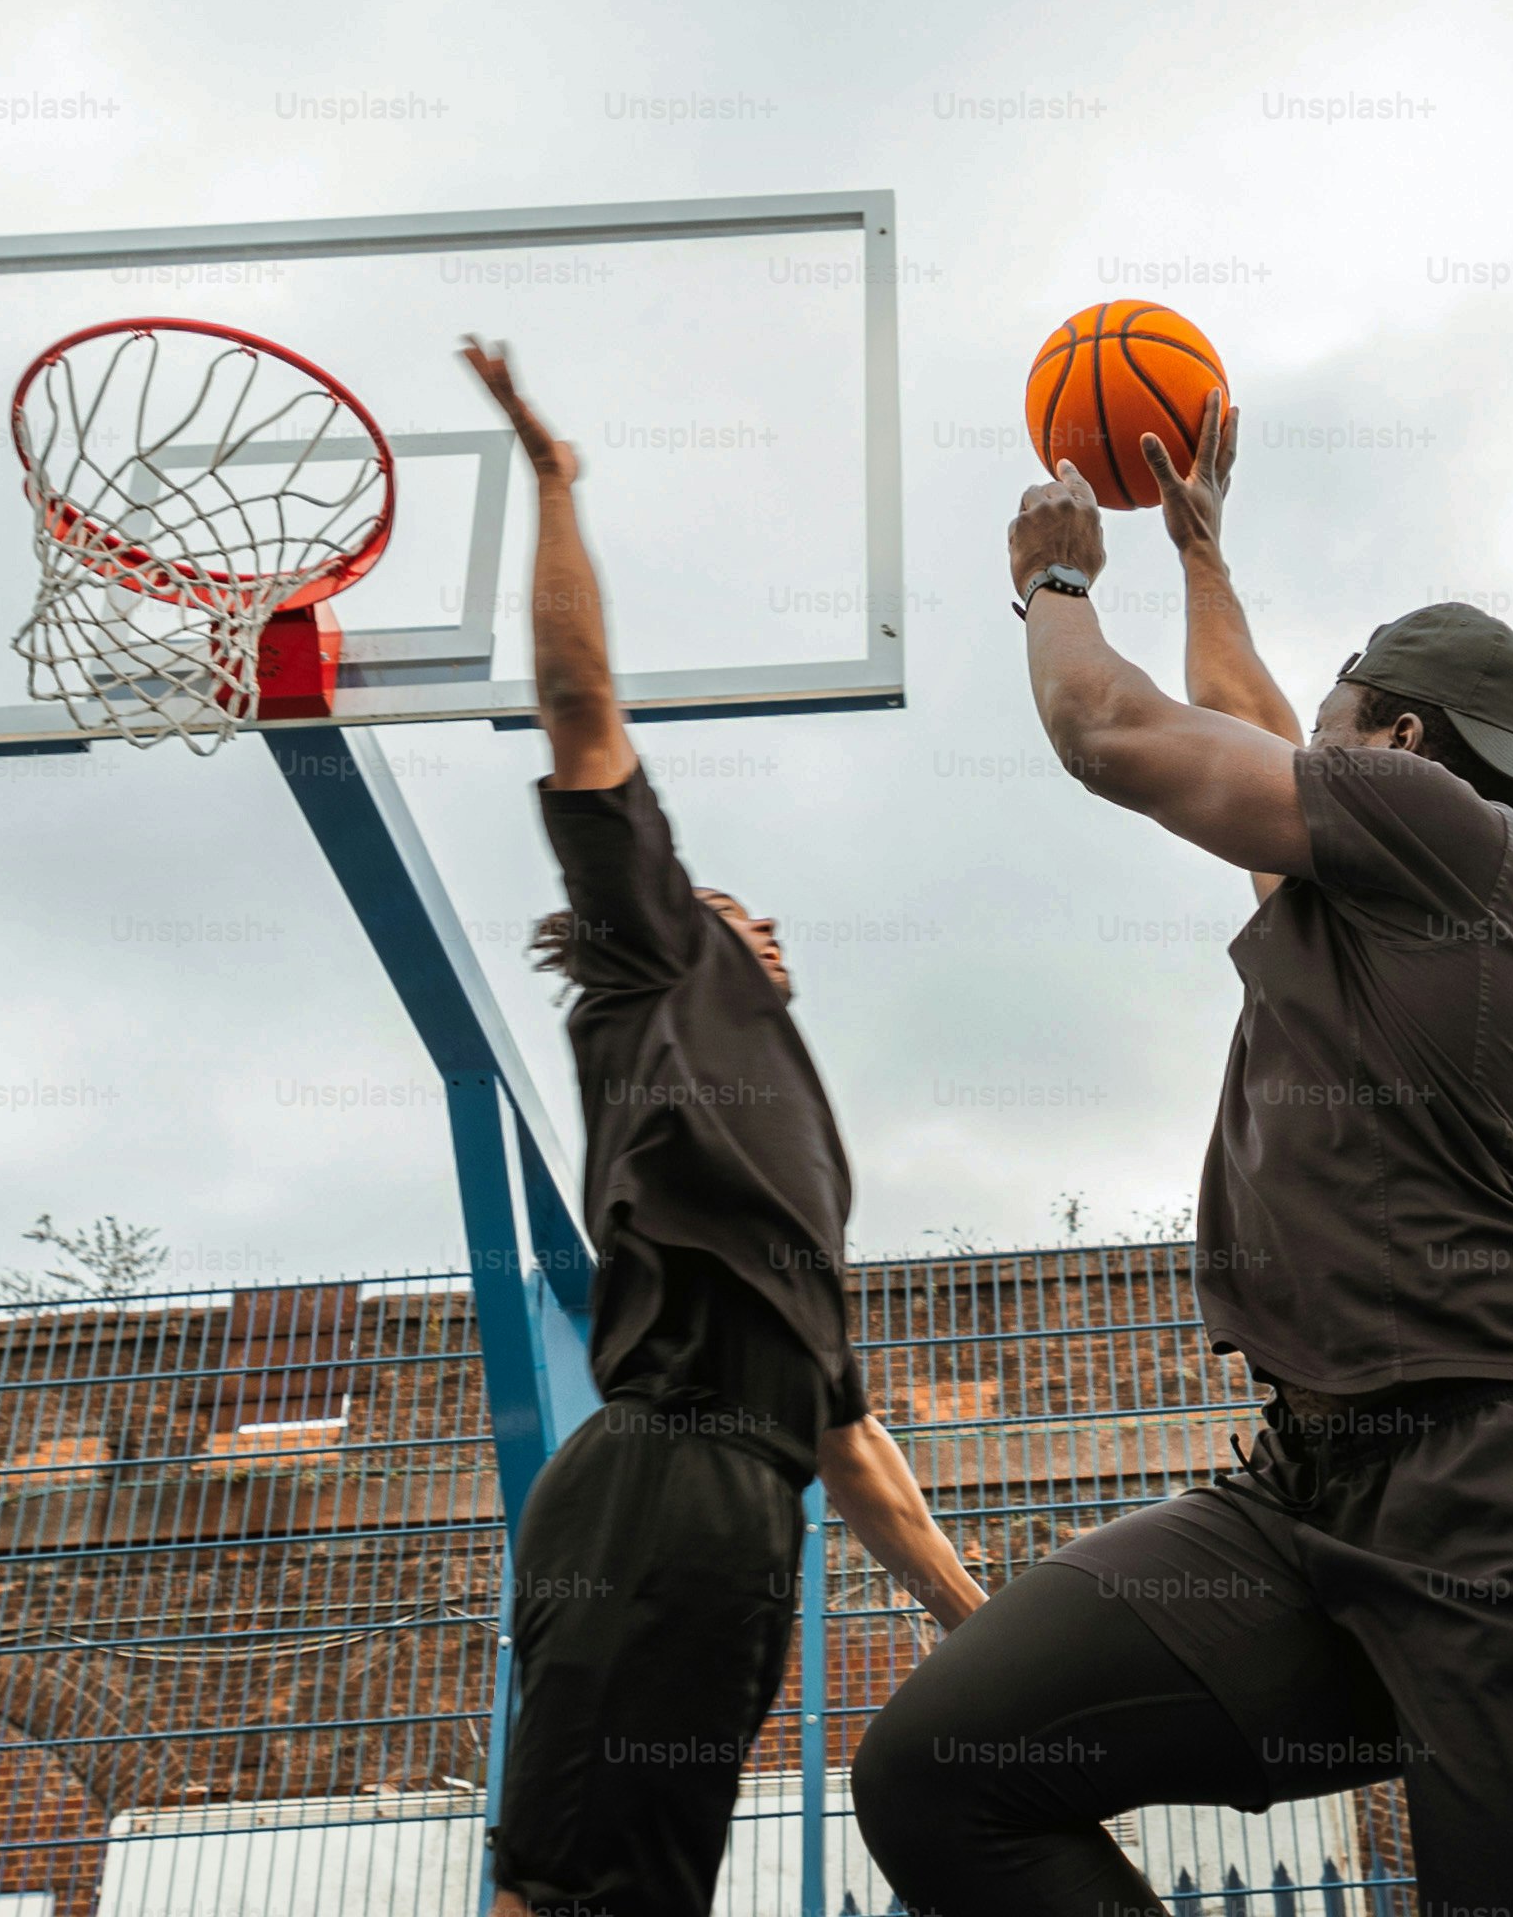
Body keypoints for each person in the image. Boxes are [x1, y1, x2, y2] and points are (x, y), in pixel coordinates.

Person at [852, 399, 1513, 1917]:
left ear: (1403, 742)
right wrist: (1202, 553)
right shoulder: (1388, 880)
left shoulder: (1447, 834)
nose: (1295, 740)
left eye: (1334, 713)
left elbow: (1109, 731)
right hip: (1311, 1502)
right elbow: (1249, 715)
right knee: (944, 1767)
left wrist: (1054, 583)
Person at [460, 339, 987, 1917]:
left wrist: (977, 1613)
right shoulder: (650, 960)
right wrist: (556, 489)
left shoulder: (797, 1147)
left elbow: (848, 1439)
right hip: (660, 1482)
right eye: (738, 905)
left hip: (748, 1509)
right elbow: (578, 702)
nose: (769, 928)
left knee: (647, 1882)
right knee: (579, 1888)